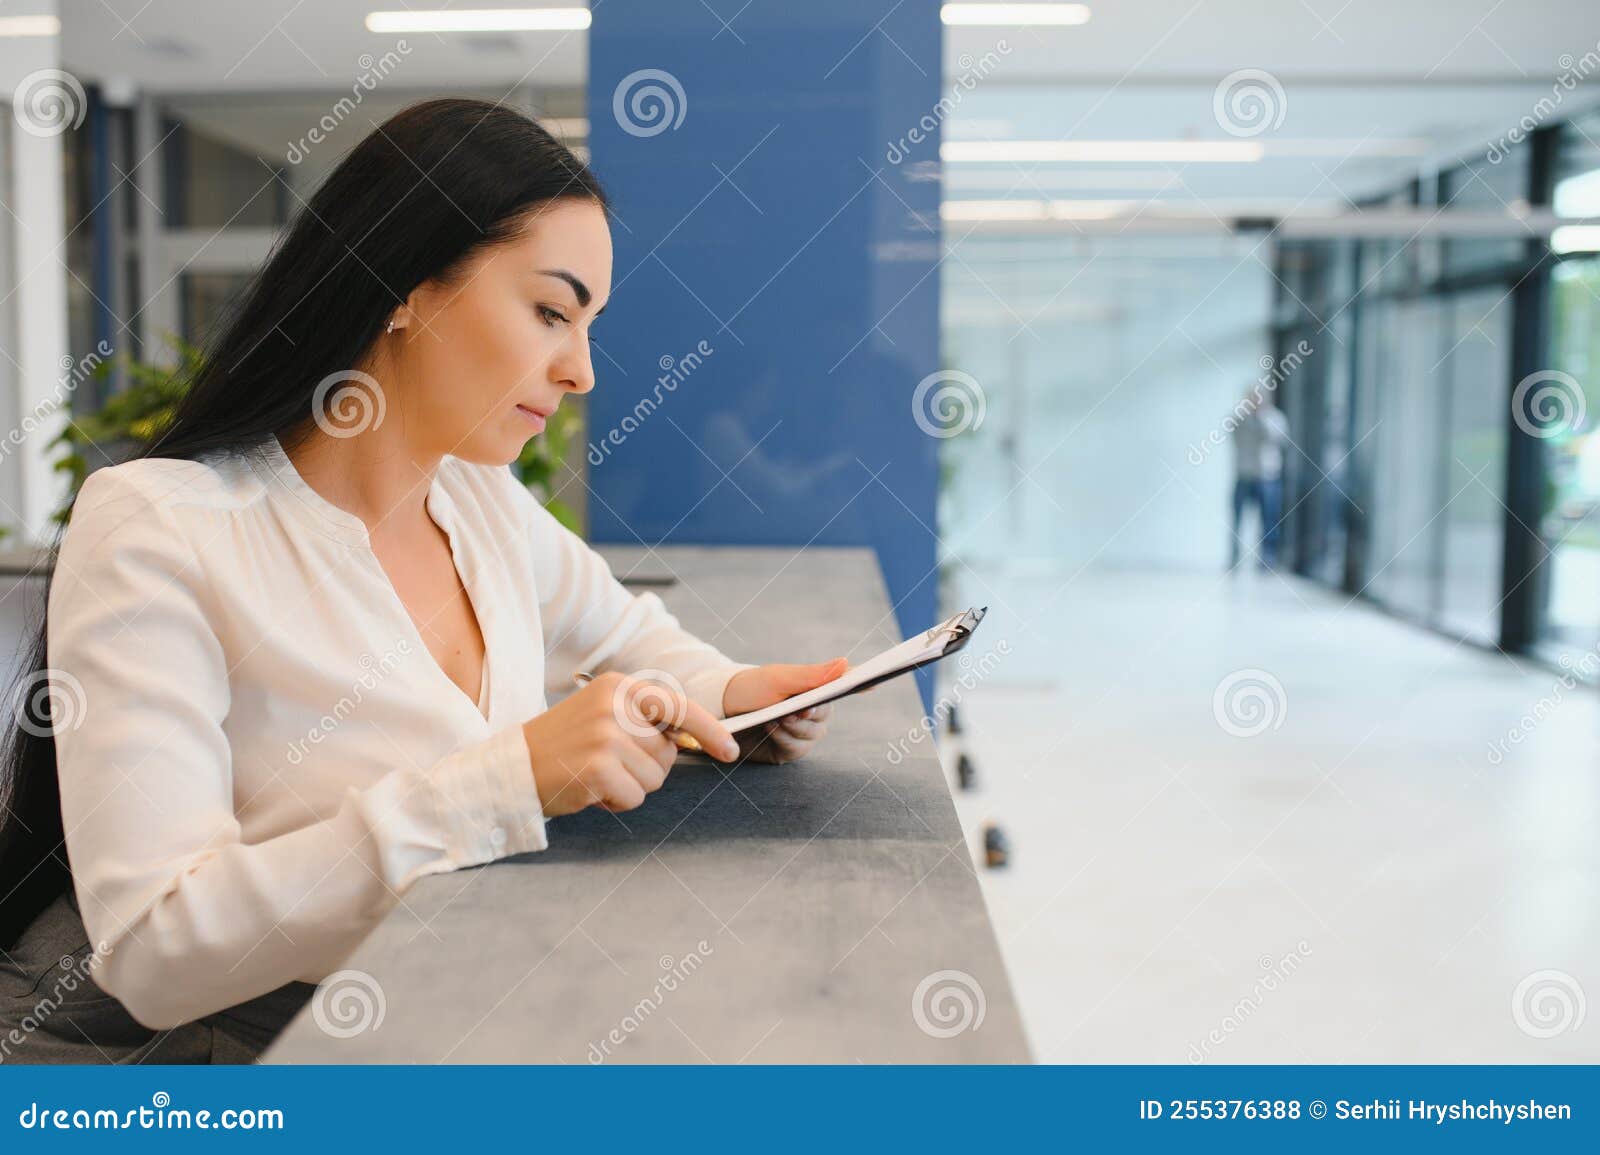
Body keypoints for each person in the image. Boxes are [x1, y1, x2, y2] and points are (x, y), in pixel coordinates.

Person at [0, 99, 844, 1062]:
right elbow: (154, 949)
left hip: (440, 1013)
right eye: (549, 312)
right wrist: (505, 780)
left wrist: (731, 698)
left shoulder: (480, 501)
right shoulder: (161, 526)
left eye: (589, 325)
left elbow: (629, 636)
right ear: (402, 285)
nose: (581, 372)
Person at [1228, 385, 1291, 569]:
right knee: (1237, 519)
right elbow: (1236, 437)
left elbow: (1277, 439)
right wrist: (1249, 416)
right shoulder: (1239, 418)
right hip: (1244, 475)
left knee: (1269, 520)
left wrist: (1261, 417)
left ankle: (1267, 558)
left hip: (1267, 478)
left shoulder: (1275, 418)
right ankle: (1234, 556)